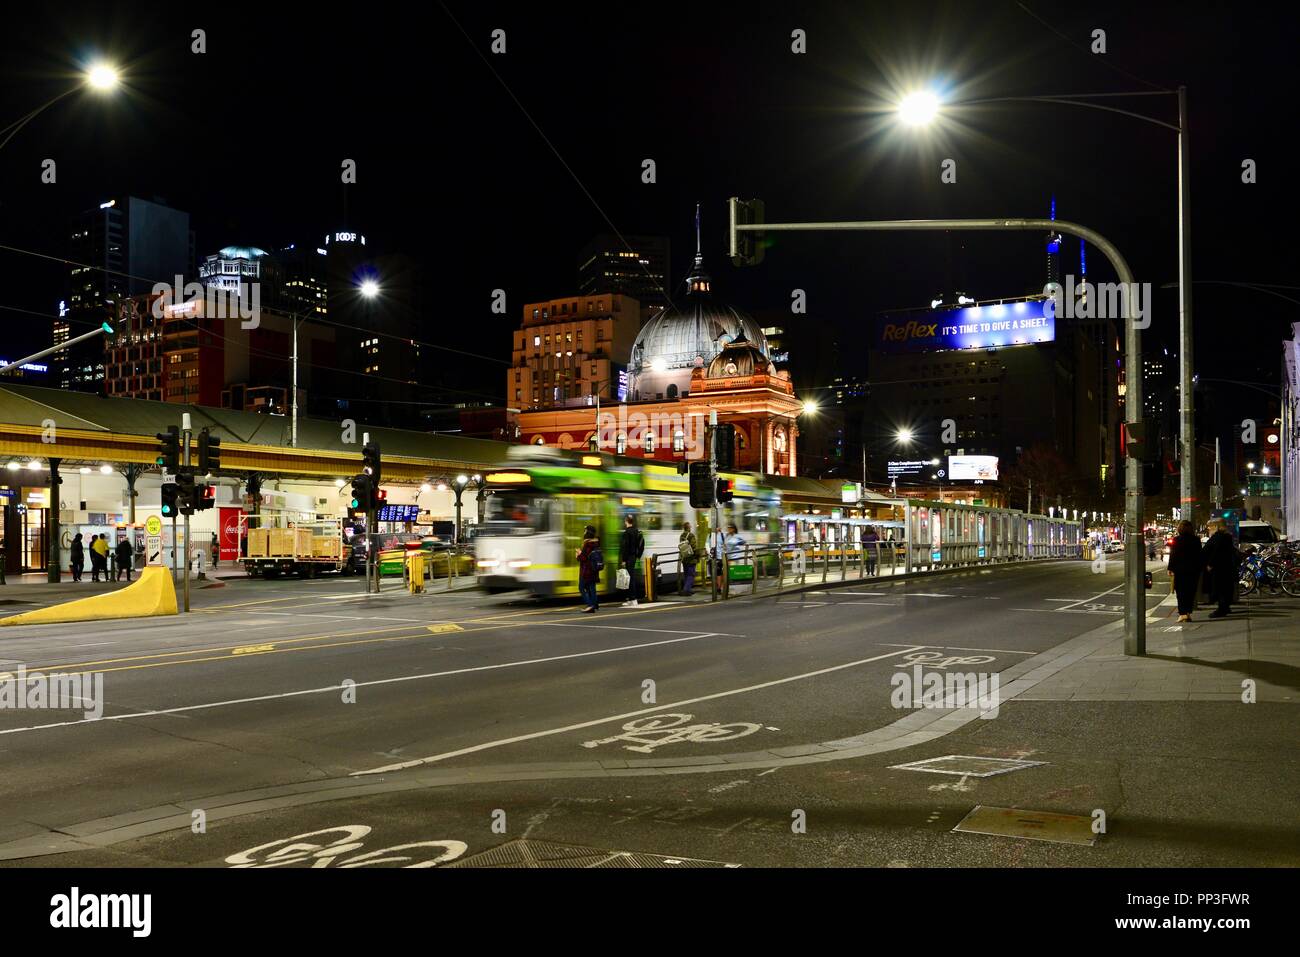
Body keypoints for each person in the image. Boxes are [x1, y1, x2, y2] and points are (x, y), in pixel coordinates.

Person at [1166, 520, 1202, 622]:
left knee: (1181, 592)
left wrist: (1170, 568)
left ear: (1179, 529)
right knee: (1190, 592)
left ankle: (1182, 613)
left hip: (1180, 570)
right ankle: (1188, 613)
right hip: (1193, 570)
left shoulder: (1177, 540)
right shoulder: (1196, 540)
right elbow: (1199, 555)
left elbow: (1173, 555)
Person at [1203, 523, 1241, 618]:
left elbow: (1216, 551)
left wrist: (1210, 564)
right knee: (1225, 588)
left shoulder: (1218, 537)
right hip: (1225, 567)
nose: (1208, 528)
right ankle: (1225, 607)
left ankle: (1222, 609)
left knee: (1220, 588)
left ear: (1216, 527)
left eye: (1210, 526)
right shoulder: (1226, 537)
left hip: (1218, 568)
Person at [619, 514, 644, 607]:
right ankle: (630, 599)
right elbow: (640, 544)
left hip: (629, 557)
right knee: (629, 578)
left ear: (626, 521)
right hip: (633, 557)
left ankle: (633, 599)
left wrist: (623, 560)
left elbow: (625, 547)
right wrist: (638, 556)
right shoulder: (636, 531)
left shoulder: (627, 533)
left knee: (630, 578)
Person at [575, 524, 602, 613]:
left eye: (585, 531)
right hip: (594, 569)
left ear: (588, 532)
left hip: (587, 570)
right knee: (592, 587)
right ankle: (594, 604)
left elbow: (584, 558)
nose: (584, 532)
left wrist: (578, 554)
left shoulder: (588, 544)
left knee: (581, 587)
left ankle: (590, 605)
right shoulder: (596, 542)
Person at [678, 521, 698, 596]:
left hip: (684, 557)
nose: (691, 527)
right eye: (690, 526)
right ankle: (686, 590)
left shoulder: (682, 535)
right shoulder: (691, 535)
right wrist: (697, 554)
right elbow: (694, 547)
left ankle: (688, 589)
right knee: (691, 574)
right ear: (688, 527)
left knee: (686, 574)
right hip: (691, 558)